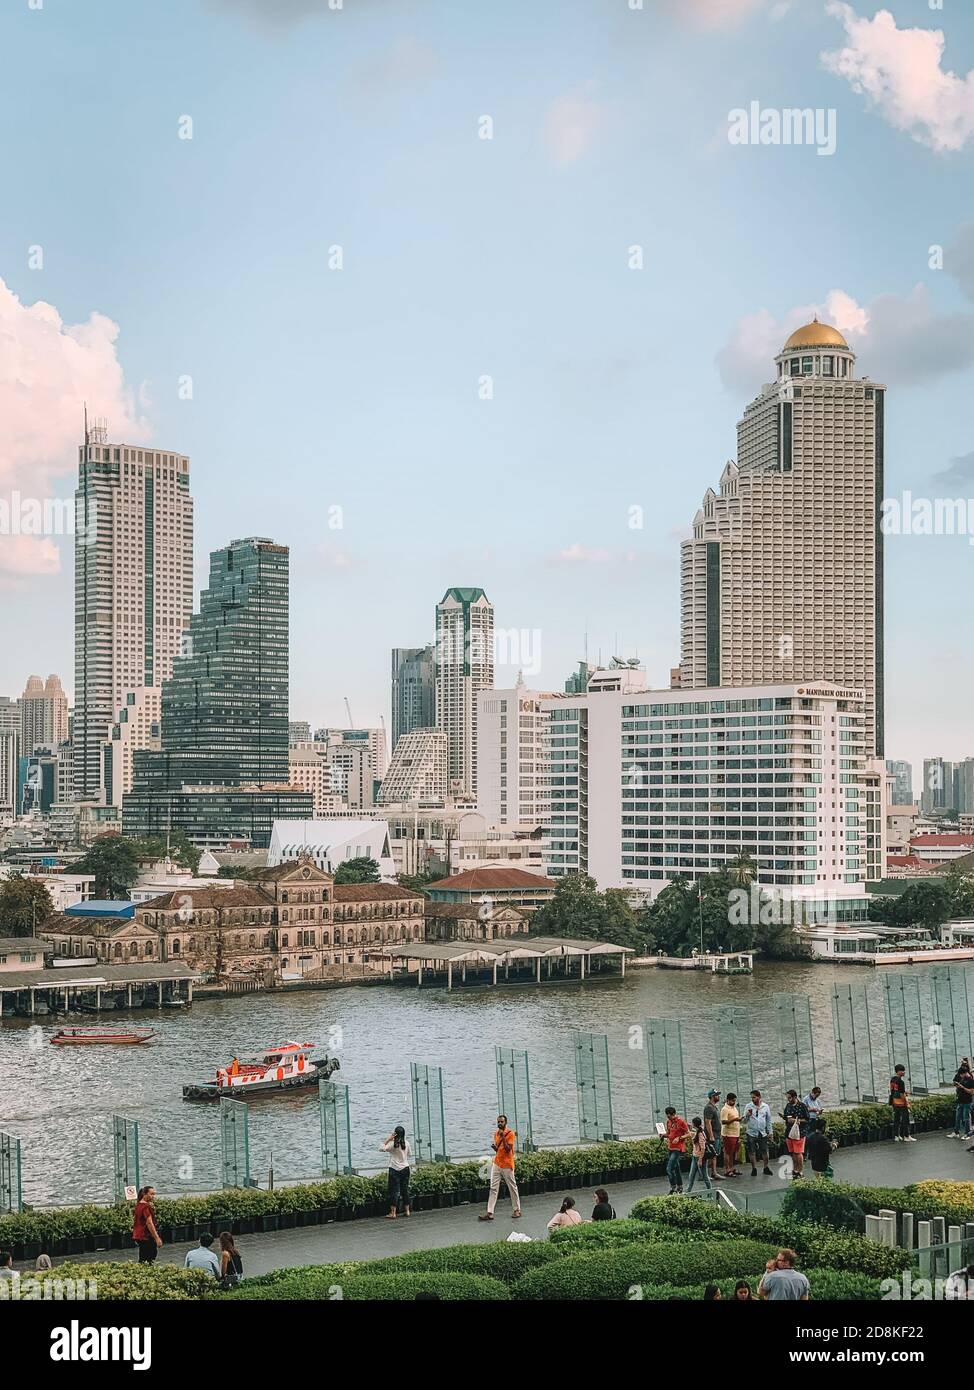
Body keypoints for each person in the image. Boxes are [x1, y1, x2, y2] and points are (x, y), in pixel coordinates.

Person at [478, 1113, 522, 1221]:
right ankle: (490, 1212)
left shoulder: (510, 1134)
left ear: (505, 1123)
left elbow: (508, 1149)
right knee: (493, 1187)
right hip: (497, 1163)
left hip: (507, 1164)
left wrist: (503, 1136)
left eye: (501, 1122)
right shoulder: (496, 1134)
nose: (499, 1123)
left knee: (512, 1187)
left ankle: (517, 1210)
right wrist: (495, 1148)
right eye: (498, 1122)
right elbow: (499, 1149)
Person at [381, 1125, 412, 1219]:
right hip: (405, 1168)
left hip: (394, 1169)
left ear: (395, 1134)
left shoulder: (392, 1144)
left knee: (393, 1191)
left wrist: (388, 1139)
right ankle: (407, 1211)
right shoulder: (406, 1143)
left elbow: (381, 1148)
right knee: (404, 1190)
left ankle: (393, 1213)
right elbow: (410, 1155)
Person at [742, 1090, 773, 1176]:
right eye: (751, 1097)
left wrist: (770, 1132)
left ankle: (766, 1167)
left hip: (762, 1132)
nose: (752, 1099)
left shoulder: (765, 1106)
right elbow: (744, 1121)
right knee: (752, 1151)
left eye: (754, 1097)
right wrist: (747, 1115)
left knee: (764, 1150)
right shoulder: (748, 1106)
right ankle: (754, 1168)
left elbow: (768, 1120)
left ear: (759, 1097)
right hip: (751, 1132)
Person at [781, 1090, 810, 1179]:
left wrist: (797, 1121)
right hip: (789, 1132)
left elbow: (807, 1119)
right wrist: (784, 1117)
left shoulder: (802, 1106)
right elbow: (786, 1116)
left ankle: (800, 1171)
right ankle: (795, 1170)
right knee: (793, 1152)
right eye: (788, 1098)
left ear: (795, 1097)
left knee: (799, 1152)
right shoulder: (788, 1106)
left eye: (790, 1098)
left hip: (799, 1132)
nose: (788, 1100)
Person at [132, 1186, 162, 1263]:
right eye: (151, 1194)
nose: (153, 1196)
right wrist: (157, 1238)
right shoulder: (146, 1207)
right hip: (146, 1236)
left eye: (154, 1194)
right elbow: (149, 1223)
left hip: (139, 1235)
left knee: (142, 1256)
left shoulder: (139, 1205)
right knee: (150, 1257)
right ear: (144, 1194)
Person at [664, 1106, 690, 1194]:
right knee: (676, 1167)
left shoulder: (681, 1122)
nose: (669, 1118)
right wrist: (664, 1135)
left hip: (678, 1147)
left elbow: (689, 1134)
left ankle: (673, 1187)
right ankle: (680, 1186)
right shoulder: (668, 1122)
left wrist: (679, 1138)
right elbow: (669, 1133)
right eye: (667, 1116)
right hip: (670, 1147)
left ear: (674, 1114)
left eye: (670, 1116)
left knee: (669, 1168)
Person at [685, 1117, 713, 1194]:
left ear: (694, 1124)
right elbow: (692, 1134)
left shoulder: (700, 1134)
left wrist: (700, 1159)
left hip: (700, 1157)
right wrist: (689, 1128)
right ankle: (688, 1191)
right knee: (691, 1175)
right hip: (695, 1156)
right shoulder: (698, 1131)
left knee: (704, 1176)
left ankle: (710, 1191)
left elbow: (703, 1148)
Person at [889, 1064, 915, 1141]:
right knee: (905, 1120)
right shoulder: (901, 1081)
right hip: (901, 1103)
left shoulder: (892, 1079)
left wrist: (904, 1092)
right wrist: (906, 1103)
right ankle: (906, 1136)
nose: (904, 1072)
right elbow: (901, 1094)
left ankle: (896, 1136)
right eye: (902, 1071)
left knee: (896, 1119)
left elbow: (894, 1091)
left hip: (894, 1102)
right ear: (898, 1071)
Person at [948, 1060, 974, 1138]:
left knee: (966, 1118)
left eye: (961, 1075)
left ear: (965, 1073)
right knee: (958, 1117)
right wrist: (958, 1086)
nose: (960, 1076)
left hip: (967, 1101)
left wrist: (962, 1087)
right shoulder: (962, 1078)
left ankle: (967, 1133)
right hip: (960, 1100)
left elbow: (972, 1092)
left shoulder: (971, 1080)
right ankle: (956, 1132)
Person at [720, 1092, 742, 1177]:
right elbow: (723, 1121)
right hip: (728, 1134)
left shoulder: (734, 1108)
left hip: (735, 1133)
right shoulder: (725, 1109)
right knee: (727, 1152)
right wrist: (735, 1119)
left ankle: (732, 1167)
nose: (734, 1102)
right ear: (728, 1100)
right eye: (732, 1101)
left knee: (733, 1152)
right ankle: (727, 1169)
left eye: (735, 1101)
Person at [703, 1089, 722, 1181]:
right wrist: (711, 1135)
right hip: (713, 1134)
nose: (718, 1096)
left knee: (714, 1154)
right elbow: (707, 1122)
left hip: (717, 1134)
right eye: (716, 1095)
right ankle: (705, 1174)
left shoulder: (714, 1107)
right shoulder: (709, 1108)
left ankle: (714, 1172)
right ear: (712, 1096)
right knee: (709, 1154)